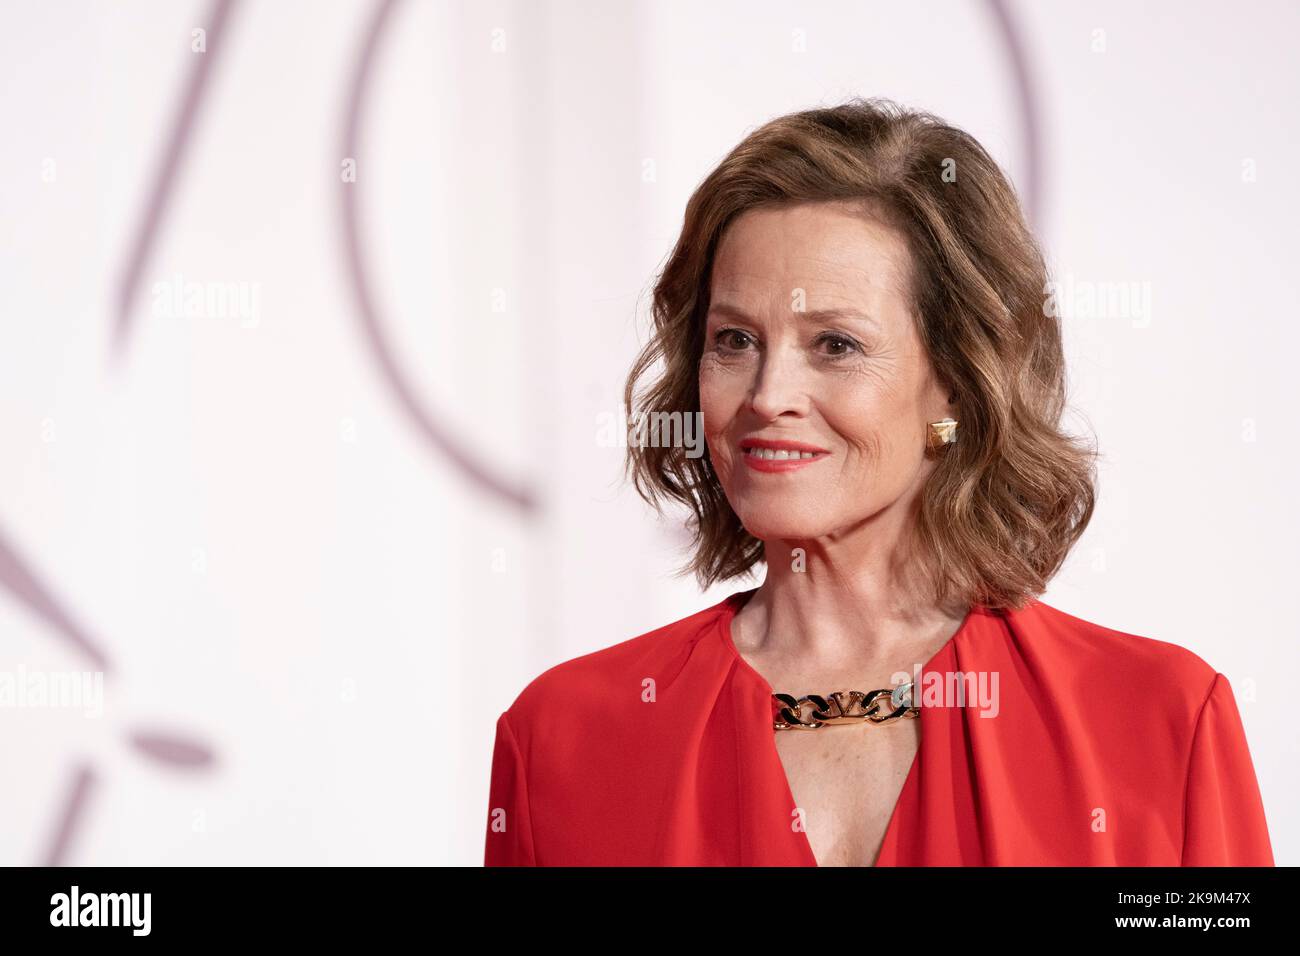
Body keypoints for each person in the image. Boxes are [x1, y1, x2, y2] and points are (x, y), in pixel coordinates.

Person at [483, 97, 1274, 866]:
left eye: (834, 344)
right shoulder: (564, 739)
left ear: (960, 382)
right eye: (734, 340)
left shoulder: (1160, 725)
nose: (767, 396)